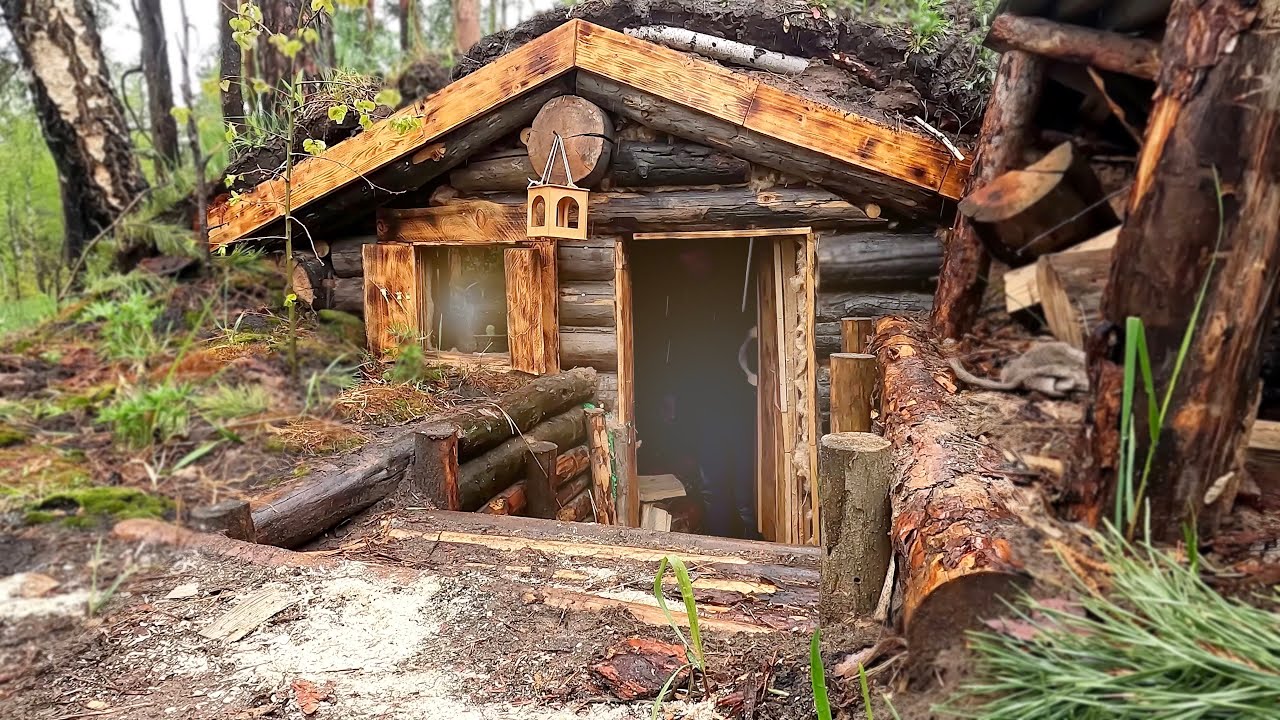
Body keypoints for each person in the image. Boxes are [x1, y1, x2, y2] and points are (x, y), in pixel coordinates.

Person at [664, 244, 759, 539]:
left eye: (696, 255)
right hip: (705, 404)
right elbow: (676, 351)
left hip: (739, 401)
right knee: (713, 479)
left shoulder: (731, 296)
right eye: (686, 256)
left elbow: (748, 345)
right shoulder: (684, 300)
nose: (691, 262)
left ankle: (749, 536)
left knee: (744, 477)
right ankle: (719, 539)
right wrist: (673, 395)